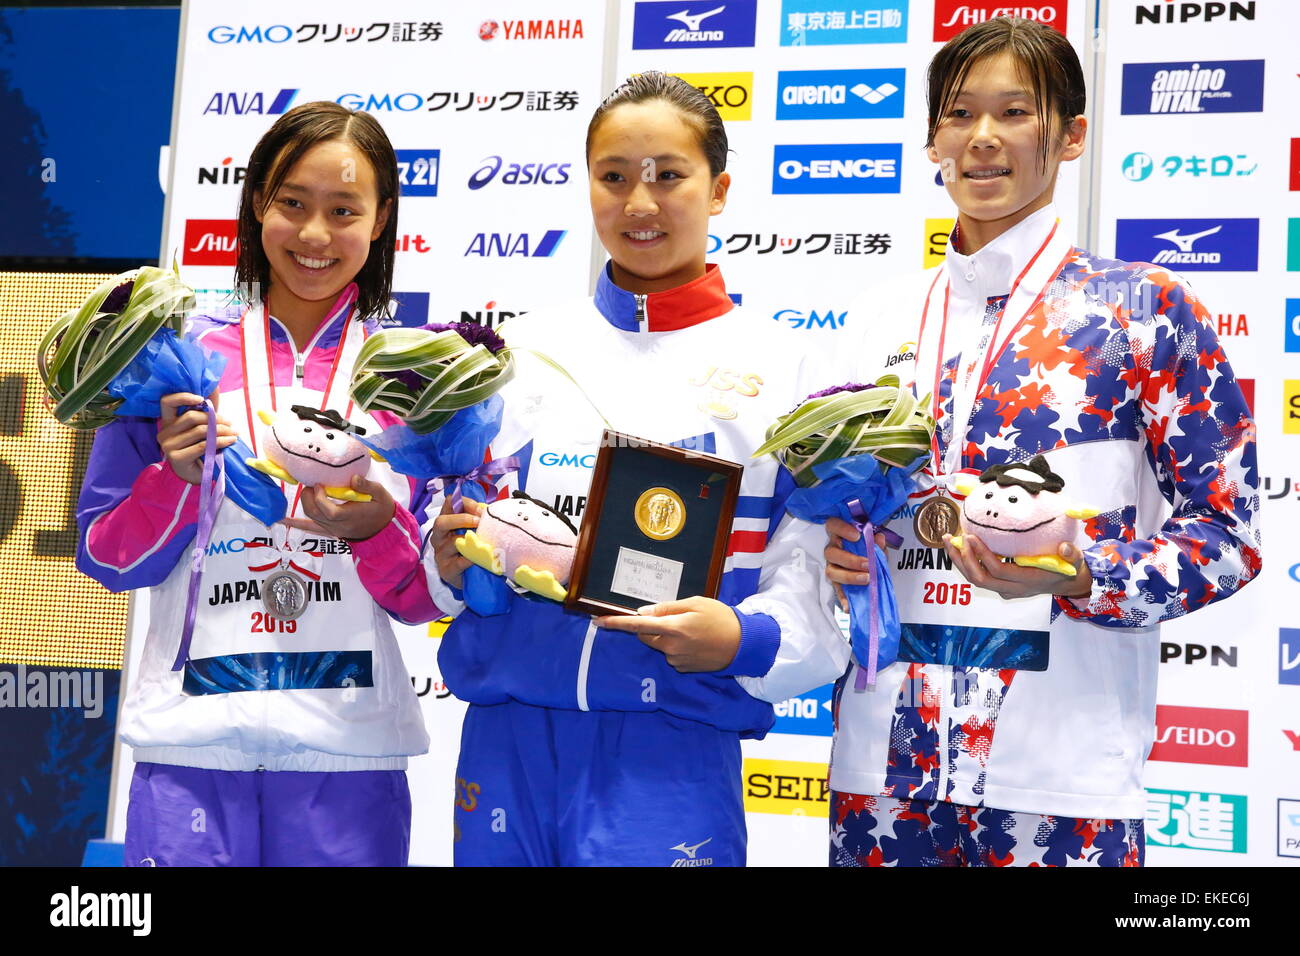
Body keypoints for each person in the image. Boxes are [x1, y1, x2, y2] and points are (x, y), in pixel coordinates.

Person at [811, 18, 1260, 866]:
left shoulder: (1145, 310)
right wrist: (846, 546)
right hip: (879, 770)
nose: (983, 139)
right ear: (932, 136)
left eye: (1016, 112)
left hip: (1060, 777)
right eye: (960, 114)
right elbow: (841, 506)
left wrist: (1088, 571)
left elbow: (1228, 535)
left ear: (1072, 134)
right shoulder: (876, 320)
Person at [425, 72, 843, 867]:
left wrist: (744, 640)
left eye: (669, 175)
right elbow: (452, 541)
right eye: (614, 176)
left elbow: (810, 584)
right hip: (506, 741)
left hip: (673, 747)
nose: (640, 203)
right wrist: (445, 559)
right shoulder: (519, 355)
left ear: (719, 190)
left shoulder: (786, 373)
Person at [76, 102, 437, 866]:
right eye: (292, 204)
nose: (313, 235)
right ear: (255, 206)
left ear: (380, 223)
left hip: (348, 758)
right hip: (190, 753)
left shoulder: (413, 380)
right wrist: (173, 479)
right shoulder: (173, 358)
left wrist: (376, 527)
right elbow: (106, 559)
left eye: (343, 211)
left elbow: (427, 598)